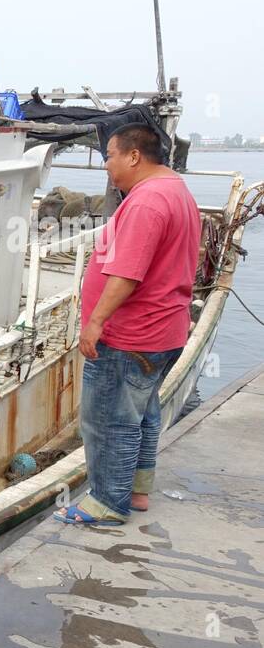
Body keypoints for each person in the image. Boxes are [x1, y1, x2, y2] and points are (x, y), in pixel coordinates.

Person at [55, 124, 200, 526]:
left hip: (130, 336)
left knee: (107, 419)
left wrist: (95, 322)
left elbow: (128, 274)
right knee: (143, 413)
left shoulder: (146, 202)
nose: (107, 166)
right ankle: (136, 492)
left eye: (110, 156)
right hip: (164, 331)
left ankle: (107, 503)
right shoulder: (177, 191)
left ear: (133, 156)